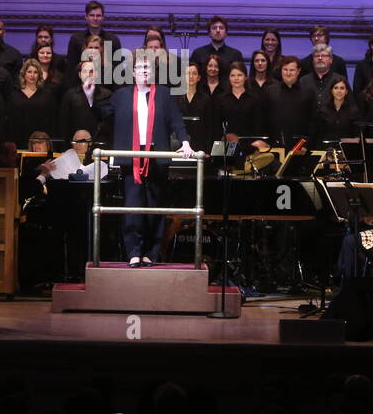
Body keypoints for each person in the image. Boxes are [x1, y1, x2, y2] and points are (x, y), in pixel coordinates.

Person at [102, 54, 194, 266]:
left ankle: (151, 252)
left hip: (156, 156)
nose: (144, 71)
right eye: (140, 67)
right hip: (131, 157)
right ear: (133, 72)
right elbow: (104, 116)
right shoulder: (121, 95)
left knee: (155, 206)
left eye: (148, 67)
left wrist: (185, 142)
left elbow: (176, 122)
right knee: (133, 206)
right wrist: (89, 97)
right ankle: (134, 251)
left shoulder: (163, 94)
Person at [3, 58, 58, 148]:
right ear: (24, 74)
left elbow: (52, 120)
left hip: (40, 142)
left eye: (35, 72)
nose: (32, 75)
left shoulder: (47, 95)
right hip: (17, 139)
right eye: (29, 72)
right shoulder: (14, 95)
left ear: (39, 75)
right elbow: (8, 121)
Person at [60, 59, 113, 146]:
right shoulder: (70, 95)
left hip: (100, 145)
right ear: (80, 75)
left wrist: (91, 100)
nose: (88, 75)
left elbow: (108, 123)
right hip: (76, 145)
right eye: (85, 71)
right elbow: (64, 124)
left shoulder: (107, 95)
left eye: (92, 71)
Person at [264, 56, 314, 146]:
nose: (288, 73)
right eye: (285, 69)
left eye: (292, 70)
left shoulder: (308, 91)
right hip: (275, 144)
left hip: (301, 146)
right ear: (281, 70)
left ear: (298, 71)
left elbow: (313, 121)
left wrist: (307, 144)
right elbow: (265, 118)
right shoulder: (270, 90)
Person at [213, 61, 266, 143]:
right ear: (229, 78)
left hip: (251, 145)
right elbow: (216, 126)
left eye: (239, 75)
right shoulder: (220, 99)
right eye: (233, 75)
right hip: (226, 145)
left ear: (246, 77)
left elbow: (259, 125)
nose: (236, 78)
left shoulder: (255, 99)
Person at [66, 1, 122, 72]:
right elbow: (70, 67)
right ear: (86, 17)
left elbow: (118, 69)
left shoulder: (113, 40)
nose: (95, 18)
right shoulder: (76, 39)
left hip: (106, 81)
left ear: (103, 17)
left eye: (98, 15)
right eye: (92, 15)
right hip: (81, 81)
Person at [315, 76, 360, 141]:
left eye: (342, 88)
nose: (339, 91)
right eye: (336, 88)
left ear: (346, 91)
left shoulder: (353, 111)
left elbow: (357, 134)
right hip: (327, 148)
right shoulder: (323, 110)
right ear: (331, 91)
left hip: (346, 148)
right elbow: (318, 133)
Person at [300, 44, 340, 109]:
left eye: (324, 55)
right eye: (317, 56)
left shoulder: (339, 80)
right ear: (312, 60)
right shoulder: (303, 81)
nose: (320, 58)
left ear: (331, 60)